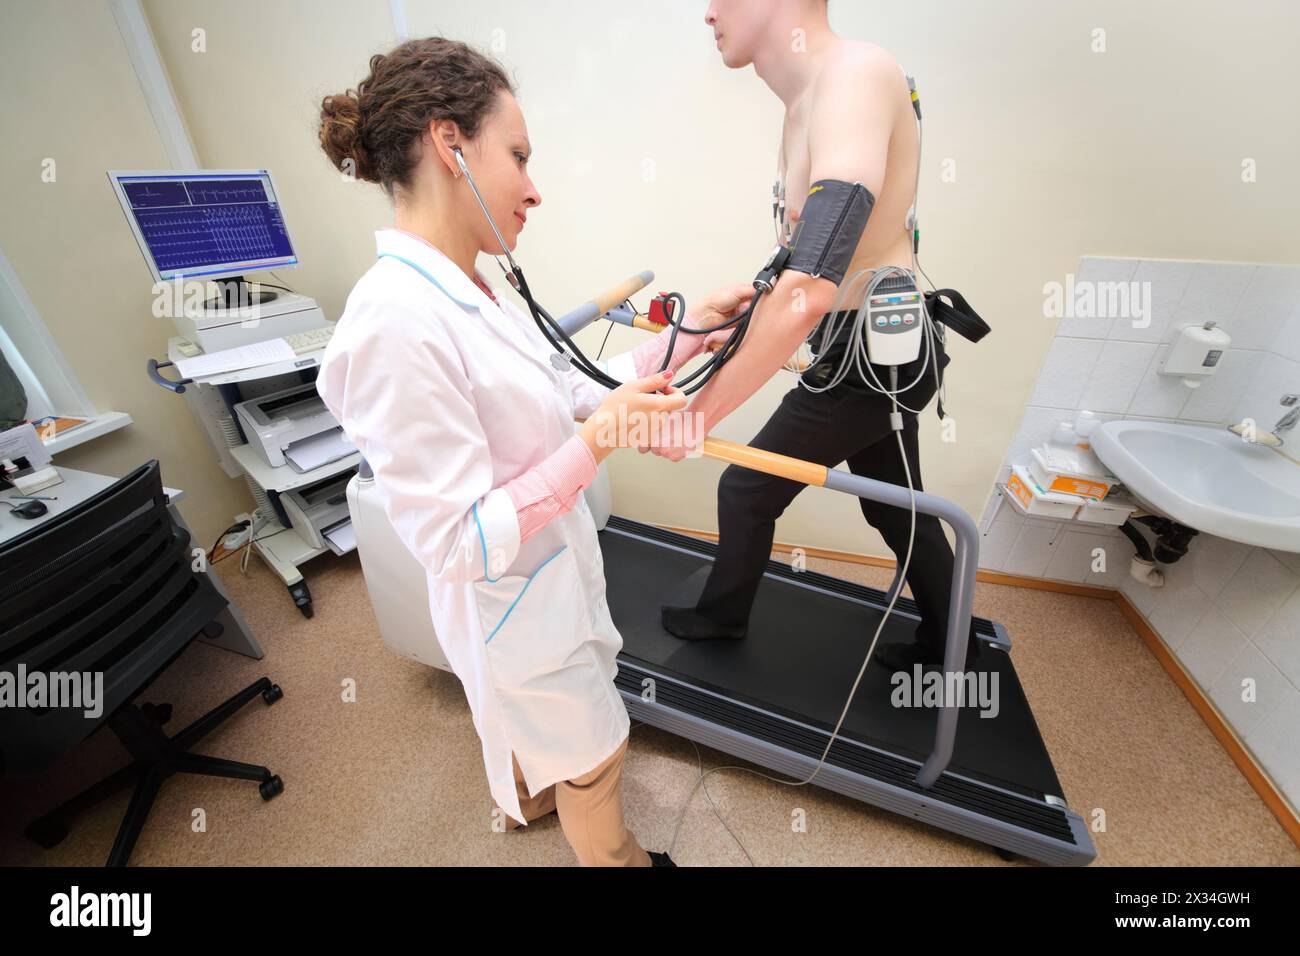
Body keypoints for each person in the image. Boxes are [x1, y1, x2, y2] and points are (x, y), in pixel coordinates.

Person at [315, 37, 752, 866]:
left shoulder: (475, 283)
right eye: (518, 155)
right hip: (511, 607)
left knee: (561, 742)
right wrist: (595, 444)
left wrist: (691, 338)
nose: (534, 187)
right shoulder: (394, 324)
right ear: (452, 146)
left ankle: (534, 790)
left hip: (548, 577)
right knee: (597, 760)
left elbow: (572, 388)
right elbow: (456, 543)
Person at [655, 0, 977, 672]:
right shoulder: (806, 102)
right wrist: (747, 324)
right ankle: (954, 645)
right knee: (897, 506)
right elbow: (803, 269)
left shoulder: (856, 75)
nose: (706, 12)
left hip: (874, 352)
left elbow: (810, 288)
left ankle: (720, 618)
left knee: (745, 488)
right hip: (869, 344)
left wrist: (696, 415)